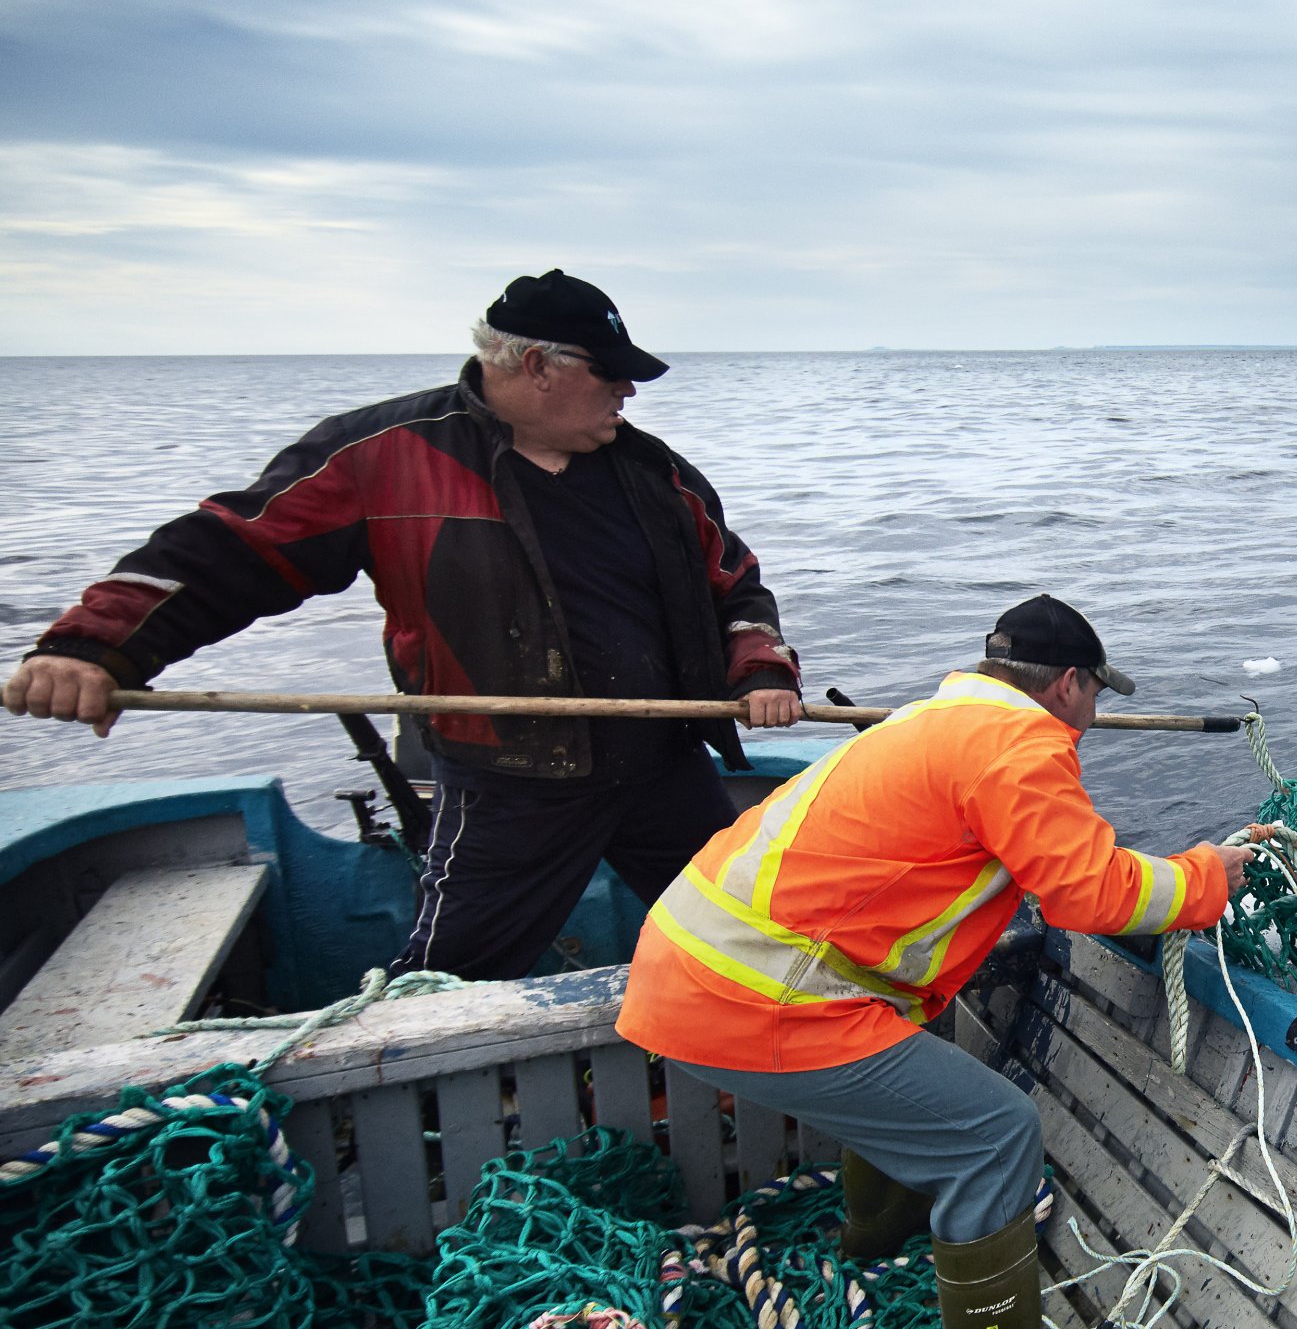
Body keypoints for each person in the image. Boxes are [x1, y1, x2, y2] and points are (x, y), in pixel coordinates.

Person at [3, 270, 812, 981]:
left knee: (759, 943)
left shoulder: (654, 471)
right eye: (611, 375)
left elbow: (733, 587)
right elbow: (230, 551)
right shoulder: (383, 454)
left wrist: (763, 670)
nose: (626, 394)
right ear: (537, 366)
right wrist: (90, 648)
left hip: (664, 766)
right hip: (508, 780)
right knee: (446, 979)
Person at [616, 594, 1252, 1329]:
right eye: (1098, 695)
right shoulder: (1018, 743)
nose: (1095, 717)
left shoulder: (937, 720)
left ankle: (877, 1247)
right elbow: (1091, 893)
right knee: (994, 1134)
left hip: (693, 967)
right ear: (1068, 684)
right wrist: (1206, 874)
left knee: (915, 1067)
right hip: (758, 995)